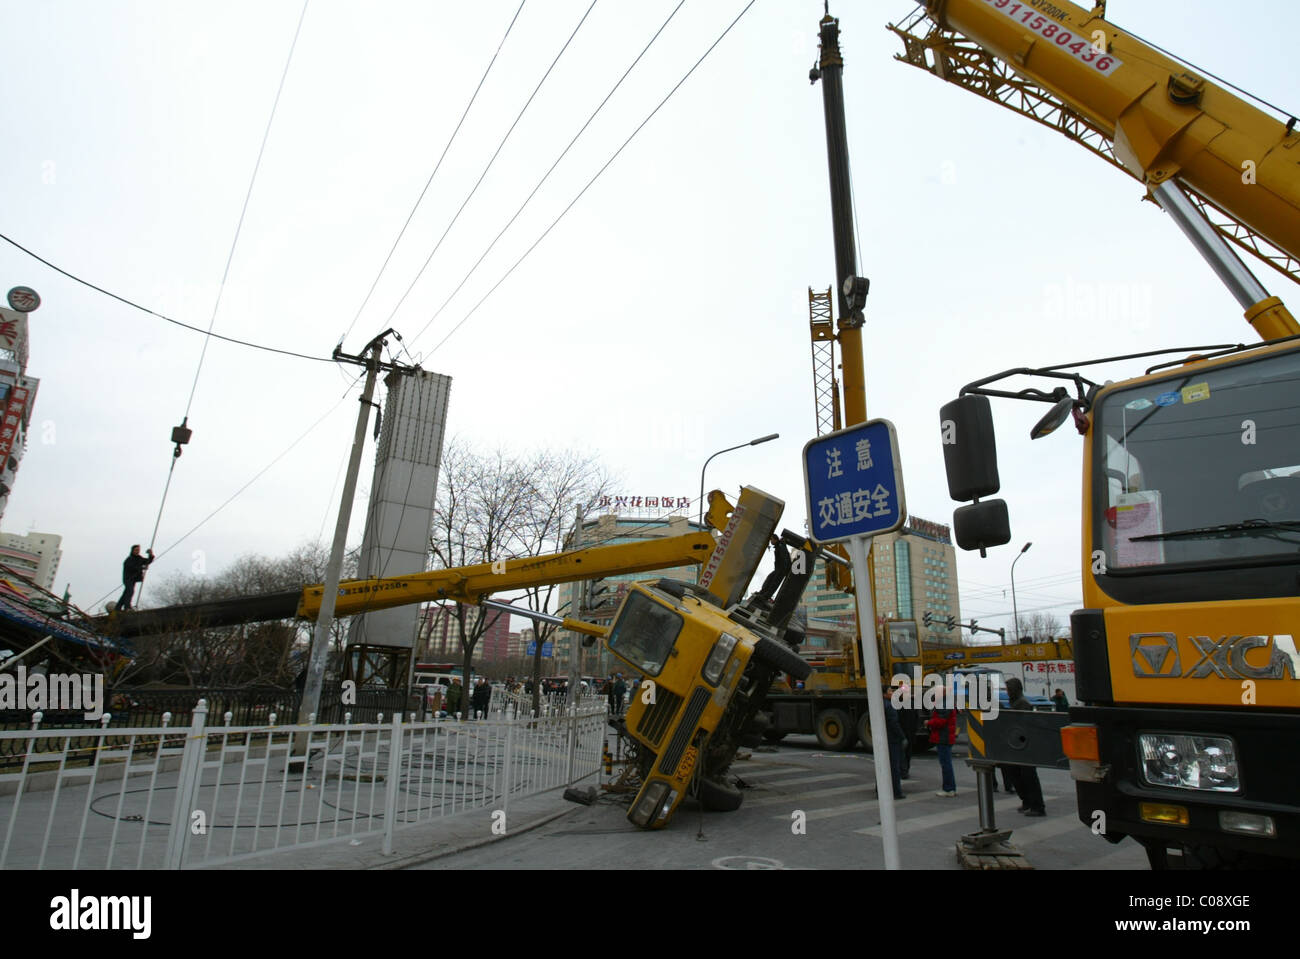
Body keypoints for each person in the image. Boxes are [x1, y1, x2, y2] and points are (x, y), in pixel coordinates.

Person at [1005, 678, 1046, 816]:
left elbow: (1022, 724)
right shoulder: (1016, 702)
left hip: (1025, 746)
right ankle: (1028, 802)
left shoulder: (1022, 703)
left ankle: (1037, 806)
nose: (1007, 691)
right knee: (1017, 773)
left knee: (1028, 776)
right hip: (1019, 745)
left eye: (1008, 689)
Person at [928, 694, 959, 797]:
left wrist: (929, 722)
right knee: (946, 763)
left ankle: (948, 788)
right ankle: (951, 788)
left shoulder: (944, 706)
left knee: (945, 764)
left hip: (943, 737)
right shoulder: (948, 704)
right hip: (946, 736)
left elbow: (940, 722)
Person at [881, 685, 906, 800]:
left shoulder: (880, 705)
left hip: (883, 739)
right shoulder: (889, 706)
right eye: (890, 691)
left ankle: (880, 789)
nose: (892, 692)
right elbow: (894, 724)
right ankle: (896, 791)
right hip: (892, 740)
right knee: (894, 766)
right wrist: (902, 737)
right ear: (884, 694)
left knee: (883, 765)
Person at [117, 545, 154, 611]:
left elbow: (148, 561)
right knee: (130, 591)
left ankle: (117, 608)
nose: (137, 551)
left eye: (138, 550)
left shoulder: (139, 558)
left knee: (126, 593)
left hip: (133, 579)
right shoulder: (129, 559)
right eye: (136, 550)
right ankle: (127, 607)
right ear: (132, 551)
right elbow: (132, 568)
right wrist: (142, 567)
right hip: (128, 579)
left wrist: (150, 554)